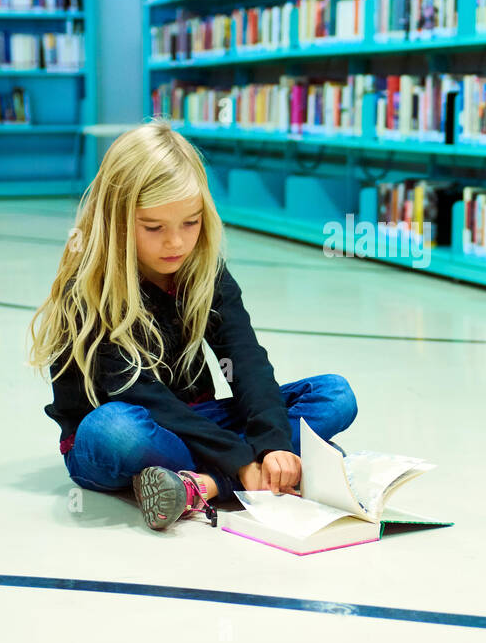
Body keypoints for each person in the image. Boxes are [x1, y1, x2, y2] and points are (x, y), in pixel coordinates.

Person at [28, 121, 357, 530]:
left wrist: (271, 442)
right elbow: (145, 398)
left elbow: (244, 358)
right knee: (115, 429)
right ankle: (250, 475)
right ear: (116, 221)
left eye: (190, 223)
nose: (176, 244)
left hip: (197, 422)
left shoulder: (202, 271)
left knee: (335, 394)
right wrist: (240, 460)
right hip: (125, 432)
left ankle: (203, 484)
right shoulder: (89, 290)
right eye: (154, 228)